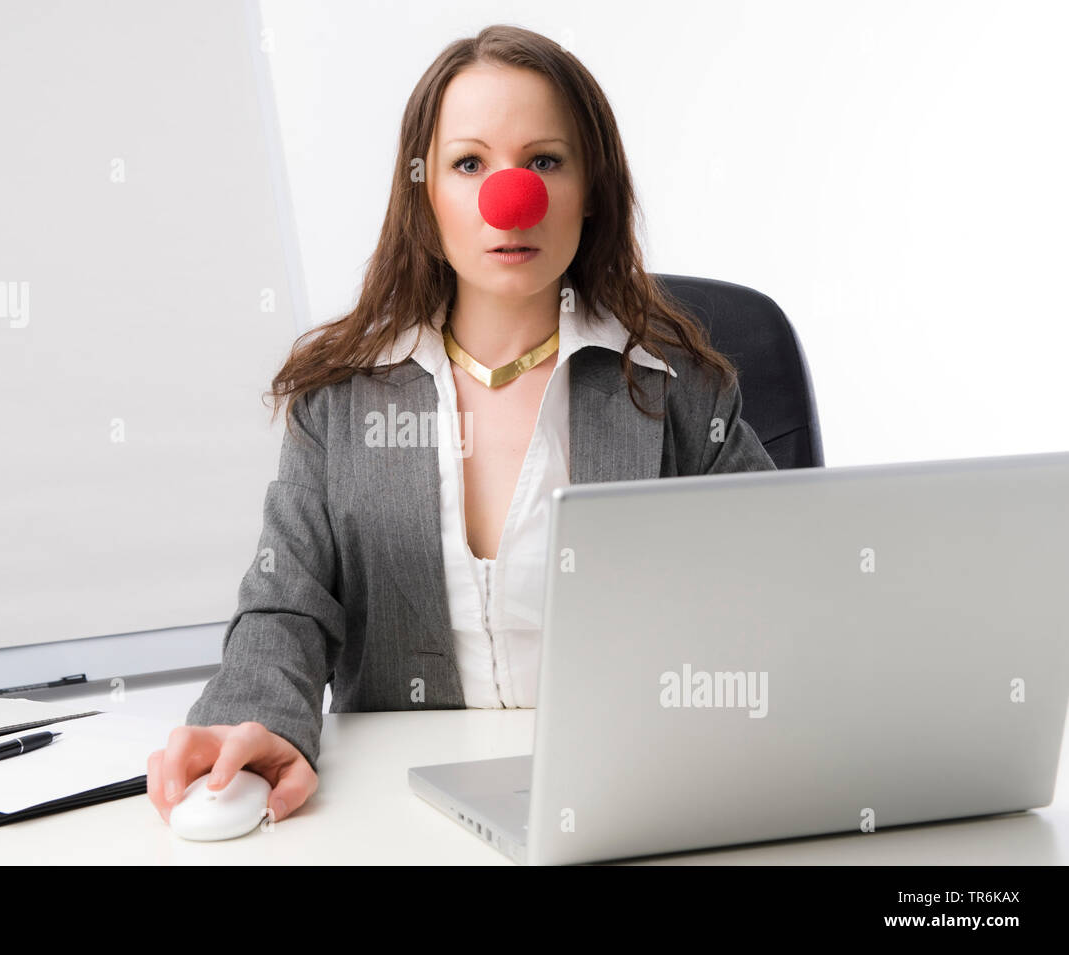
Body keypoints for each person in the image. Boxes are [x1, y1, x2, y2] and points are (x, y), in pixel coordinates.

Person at [148, 24, 777, 826]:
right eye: (470, 163)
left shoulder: (680, 392)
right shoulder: (338, 404)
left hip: (633, 801)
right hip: (396, 810)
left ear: (592, 190)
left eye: (544, 161)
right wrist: (258, 718)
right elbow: (286, 606)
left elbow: (784, 586)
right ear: (425, 194)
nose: (508, 198)